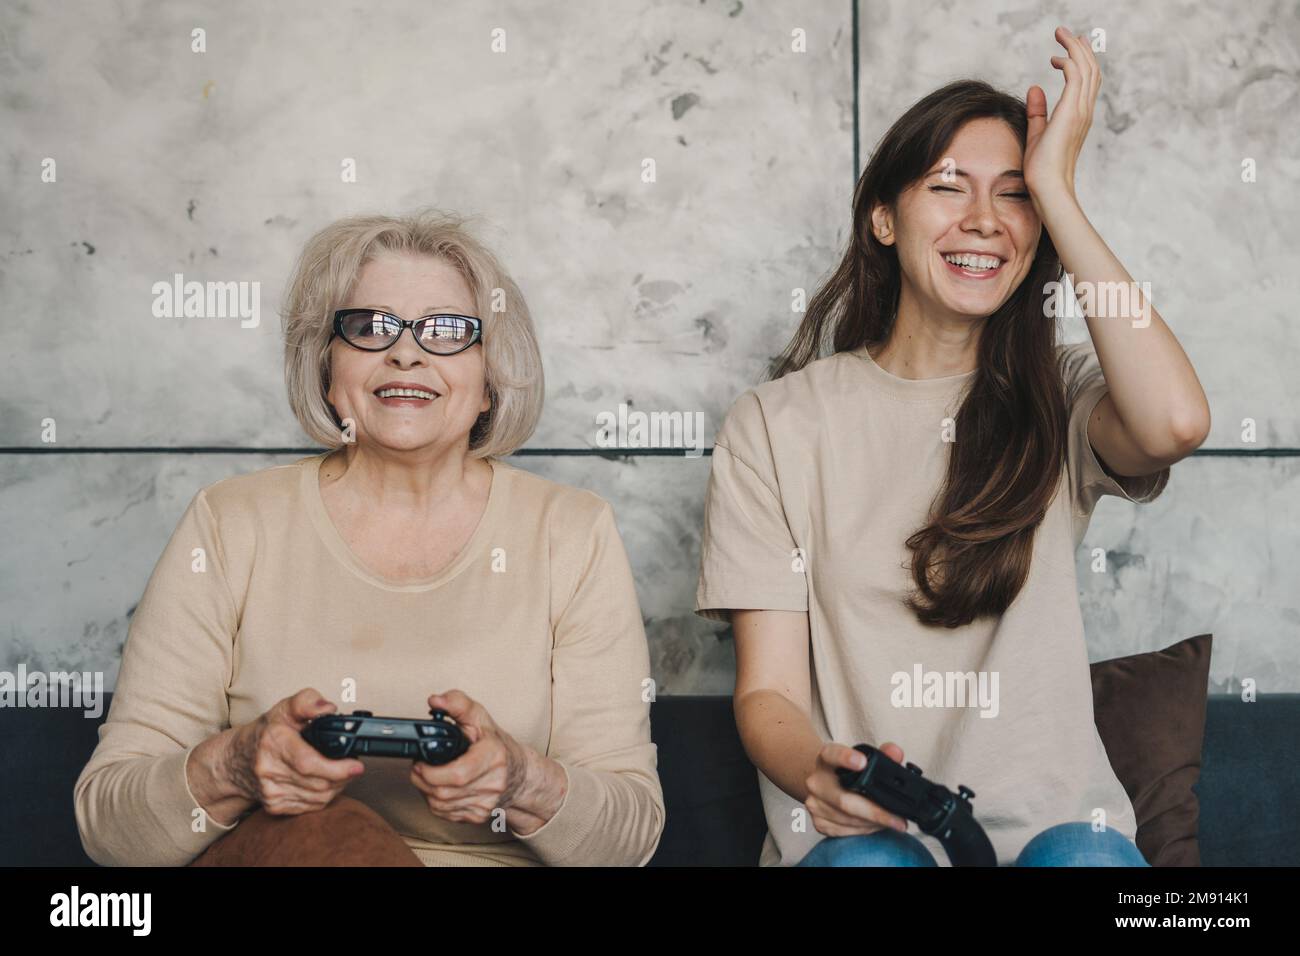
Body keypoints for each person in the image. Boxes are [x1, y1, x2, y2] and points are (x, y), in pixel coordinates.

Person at [694, 29, 1210, 867]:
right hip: (874, 841)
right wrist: (815, 772)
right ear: (885, 218)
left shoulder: (1066, 393)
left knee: (1085, 858)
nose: (983, 220)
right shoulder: (776, 425)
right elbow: (770, 692)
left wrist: (1061, 196)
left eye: (1014, 196)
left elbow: (1176, 424)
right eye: (947, 187)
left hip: (1059, 841)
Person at [74, 209, 664, 866]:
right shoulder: (229, 523)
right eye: (370, 326)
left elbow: (628, 840)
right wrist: (236, 767)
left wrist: (524, 780)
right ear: (327, 367)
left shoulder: (571, 533)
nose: (405, 352)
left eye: (446, 330)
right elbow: (110, 829)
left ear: (491, 379)